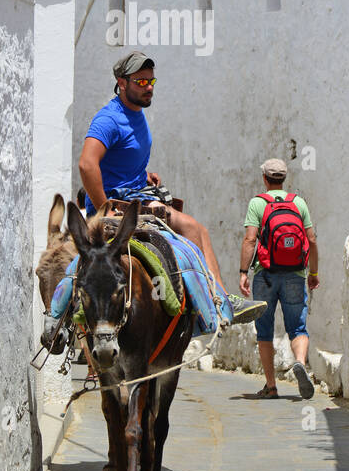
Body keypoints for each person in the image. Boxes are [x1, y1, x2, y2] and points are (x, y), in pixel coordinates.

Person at [40, 50, 264, 348]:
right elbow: (87, 164)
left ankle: (216, 303)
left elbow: (119, 161)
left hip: (137, 194)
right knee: (193, 230)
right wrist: (104, 206)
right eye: (141, 81)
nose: (149, 86)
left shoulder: (135, 114)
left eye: (151, 80)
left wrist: (142, 174)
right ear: (121, 82)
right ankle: (219, 304)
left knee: (196, 231)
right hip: (119, 207)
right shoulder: (108, 120)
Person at [238, 158, 319, 400]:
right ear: (284, 178)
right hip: (295, 274)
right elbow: (312, 240)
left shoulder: (257, 203)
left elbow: (250, 240)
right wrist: (313, 273)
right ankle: (301, 363)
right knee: (298, 327)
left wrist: (243, 272)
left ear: (265, 178)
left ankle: (271, 386)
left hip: (266, 276)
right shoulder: (299, 203)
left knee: (264, 331)